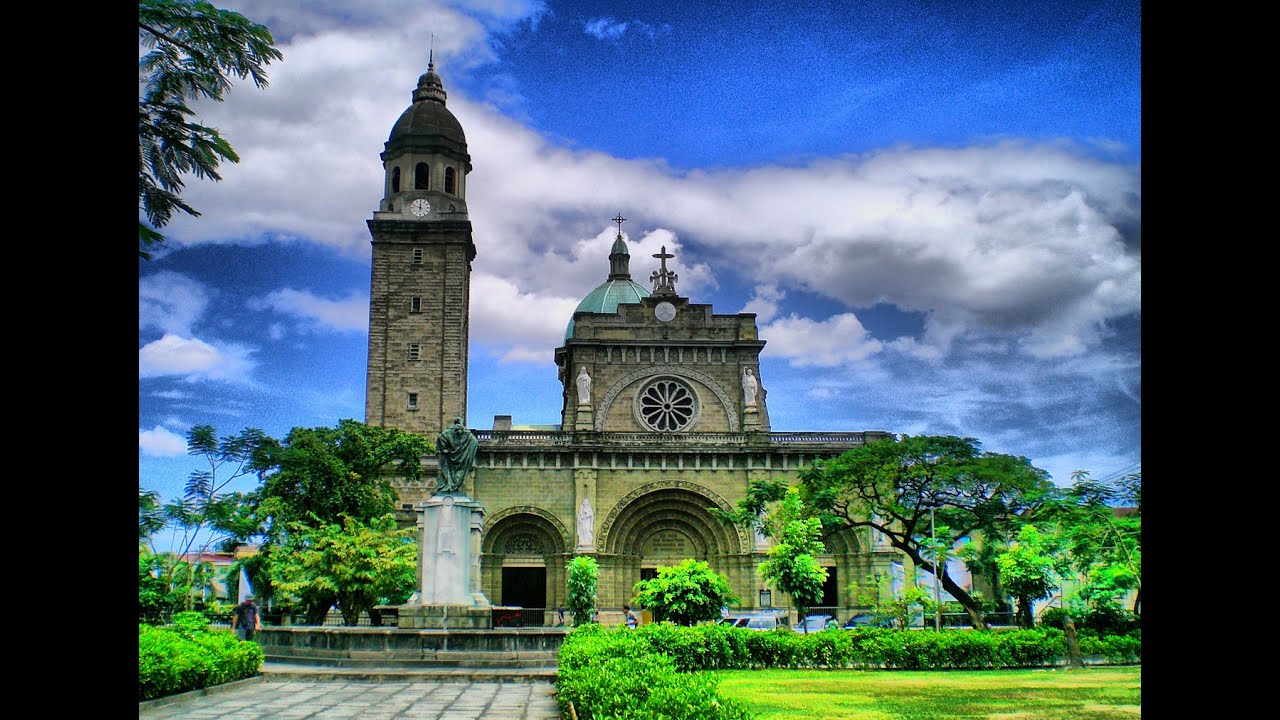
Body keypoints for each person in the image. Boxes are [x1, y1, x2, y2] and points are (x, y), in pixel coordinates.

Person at [435, 417, 478, 493]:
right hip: (458, 459)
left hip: (454, 459)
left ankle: (450, 487)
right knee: (453, 476)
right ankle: (449, 487)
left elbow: (440, 438)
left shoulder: (448, 432)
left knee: (453, 476)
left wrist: (444, 450)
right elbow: (474, 441)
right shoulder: (466, 433)